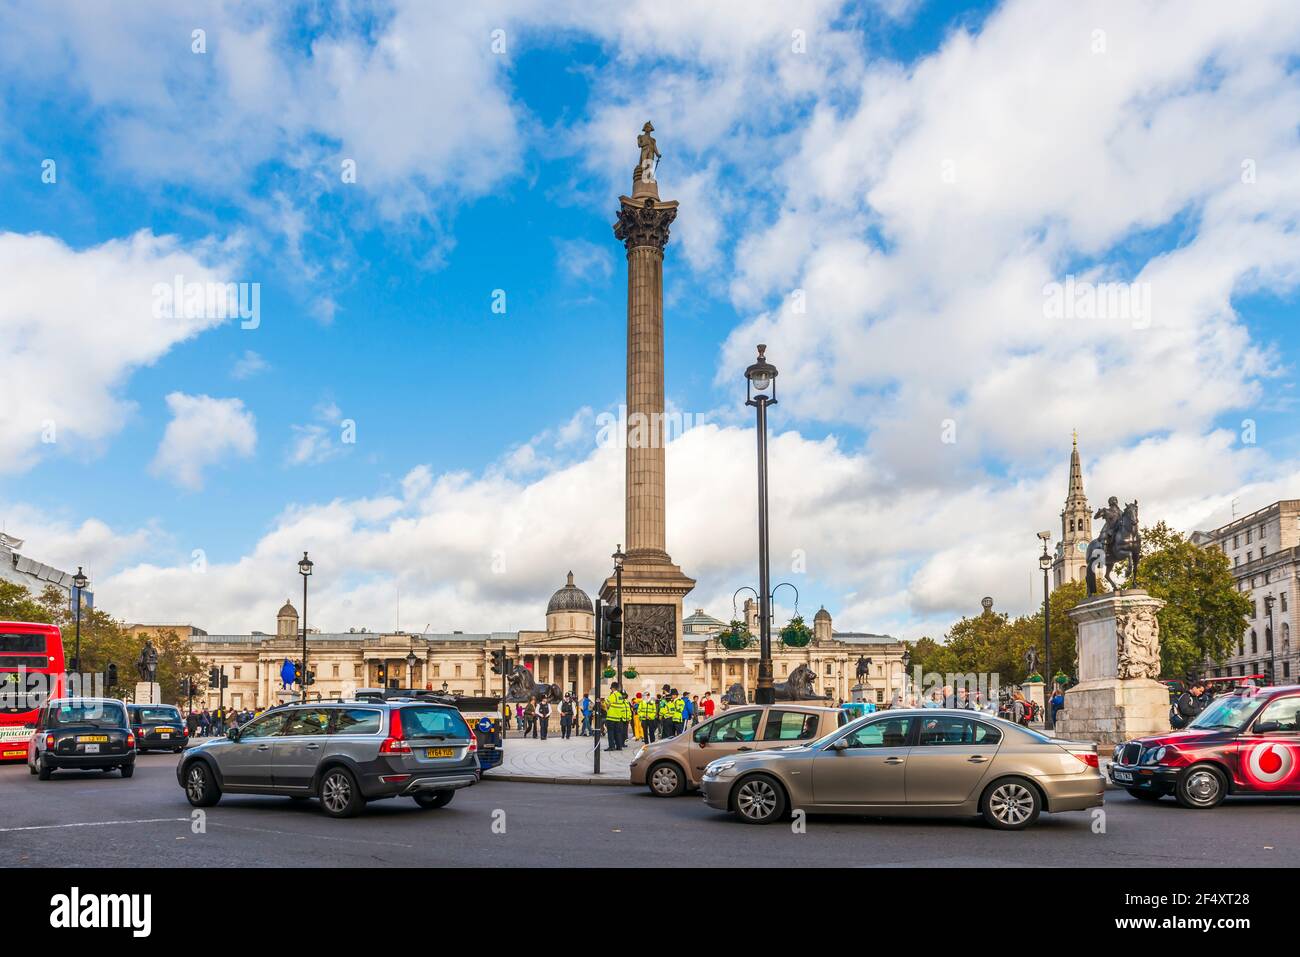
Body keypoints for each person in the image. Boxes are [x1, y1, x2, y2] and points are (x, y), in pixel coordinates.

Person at [605, 682, 631, 751]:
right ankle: (619, 746)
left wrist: (608, 707)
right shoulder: (620, 695)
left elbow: (607, 703)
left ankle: (611, 746)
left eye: (611, 688)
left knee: (610, 732)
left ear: (613, 688)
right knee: (618, 733)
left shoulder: (613, 695)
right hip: (618, 718)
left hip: (611, 717)